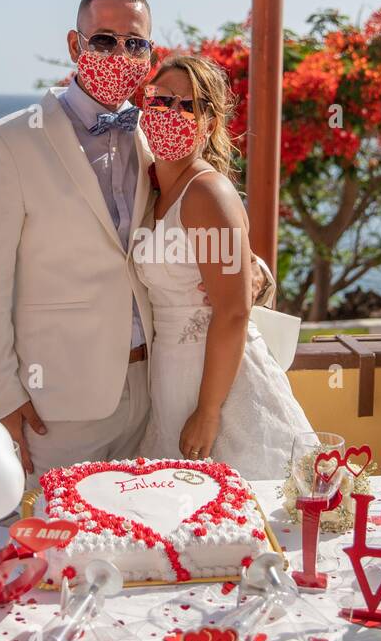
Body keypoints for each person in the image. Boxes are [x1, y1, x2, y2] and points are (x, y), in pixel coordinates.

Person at [0, 0, 271, 481]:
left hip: (156, 391)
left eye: (135, 42)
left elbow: (197, 228)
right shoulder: (10, 141)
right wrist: (5, 395)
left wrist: (251, 270)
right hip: (59, 405)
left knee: (142, 543)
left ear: (149, 54)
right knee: (61, 544)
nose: (120, 54)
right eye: (104, 40)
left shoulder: (155, 129)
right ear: (74, 45)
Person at [133, 54, 312, 479]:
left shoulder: (208, 193)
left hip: (220, 386)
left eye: (187, 105)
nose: (171, 113)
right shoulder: (152, 192)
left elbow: (234, 311)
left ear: (208, 123)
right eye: (161, 101)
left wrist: (209, 411)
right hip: (170, 376)